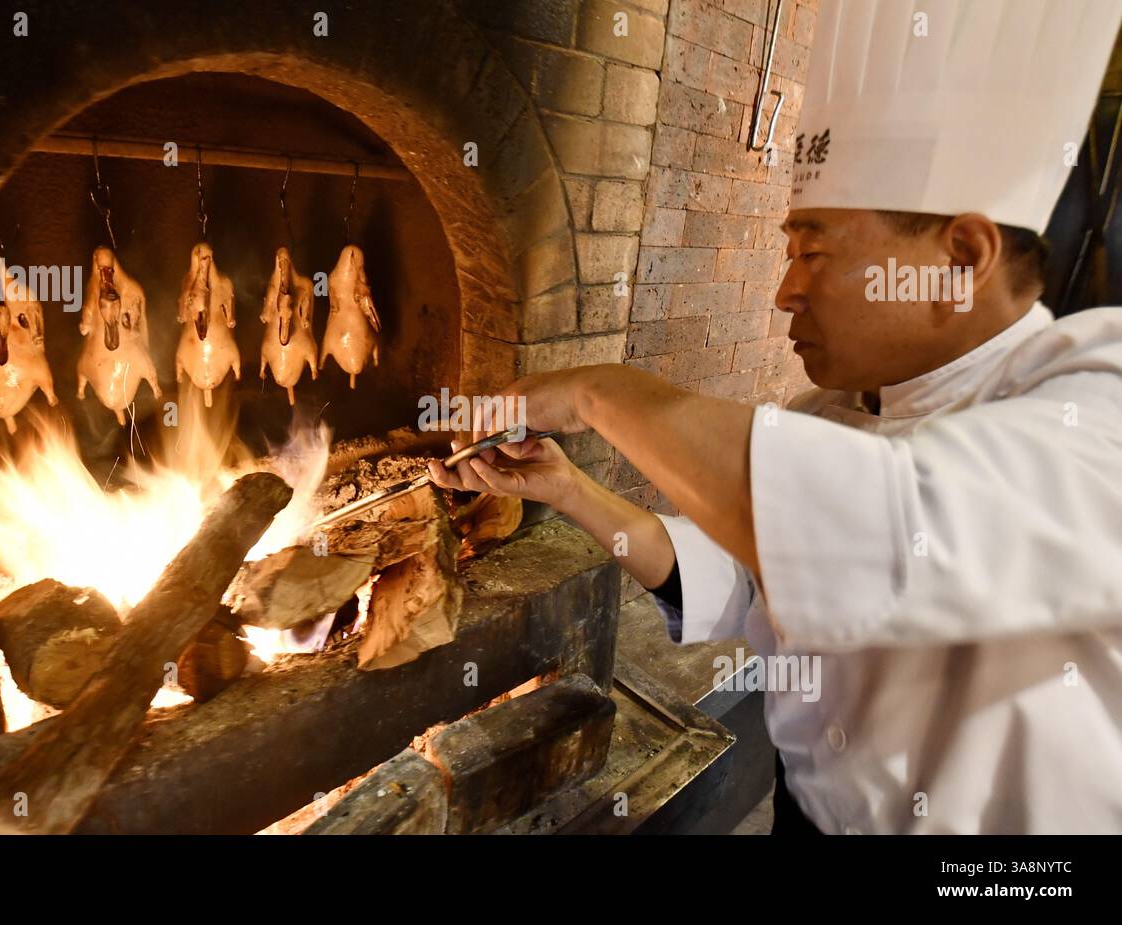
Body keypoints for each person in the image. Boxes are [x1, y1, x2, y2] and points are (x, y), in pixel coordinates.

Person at [428, 0, 1122, 834]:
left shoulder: (1096, 398)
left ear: (961, 259)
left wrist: (594, 392)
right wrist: (571, 489)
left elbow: (884, 528)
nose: (787, 289)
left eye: (814, 251)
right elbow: (745, 578)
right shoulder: (829, 415)